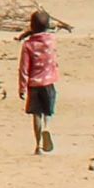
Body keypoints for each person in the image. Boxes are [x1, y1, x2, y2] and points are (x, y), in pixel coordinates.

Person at [18, 8, 60, 155]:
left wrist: (22, 87)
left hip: (34, 84)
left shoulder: (28, 45)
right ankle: (47, 128)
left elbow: (24, 68)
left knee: (36, 114)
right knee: (48, 112)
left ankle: (38, 146)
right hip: (49, 82)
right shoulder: (51, 41)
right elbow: (51, 29)